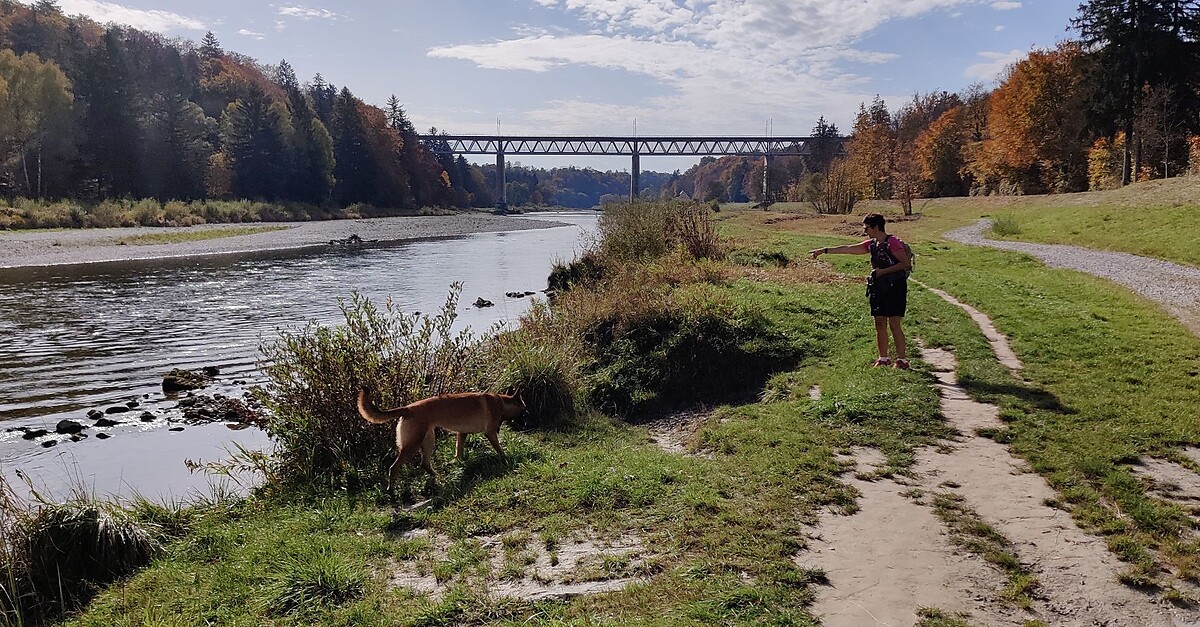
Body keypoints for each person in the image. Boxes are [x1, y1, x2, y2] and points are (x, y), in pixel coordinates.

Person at [809, 213, 912, 368]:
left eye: (866, 228)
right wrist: (825, 250)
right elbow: (849, 249)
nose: (865, 231)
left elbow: (905, 264)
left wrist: (883, 272)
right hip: (879, 287)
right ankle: (883, 358)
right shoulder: (872, 244)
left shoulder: (893, 243)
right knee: (879, 323)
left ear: (876, 227)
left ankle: (902, 360)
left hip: (895, 287)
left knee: (894, 323)